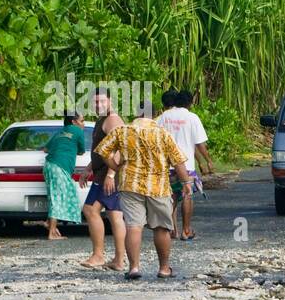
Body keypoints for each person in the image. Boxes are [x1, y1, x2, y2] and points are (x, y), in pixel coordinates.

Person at [96, 104, 191, 280]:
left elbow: (103, 151)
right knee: (162, 227)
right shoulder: (163, 133)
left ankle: (133, 268)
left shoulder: (122, 131)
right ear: (156, 115)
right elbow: (178, 161)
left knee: (133, 226)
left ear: (136, 114)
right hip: (158, 187)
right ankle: (163, 269)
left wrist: (114, 167)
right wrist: (185, 182)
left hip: (130, 185)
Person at [157, 89, 214, 240]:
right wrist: (207, 160)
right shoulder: (192, 117)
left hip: (167, 166)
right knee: (187, 195)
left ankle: (169, 230)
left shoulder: (163, 117)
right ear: (190, 103)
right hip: (186, 166)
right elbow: (198, 143)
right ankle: (186, 231)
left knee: (172, 198)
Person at [80, 88, 127, 270]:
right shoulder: (103, 119)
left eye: (102, 101)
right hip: (102, 172)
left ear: (110, 101)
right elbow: (102, 150)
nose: (98, 105)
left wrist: (111, 175)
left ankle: (99, 255)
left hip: (108, 175)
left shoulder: (112, 120)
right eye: (95, 102)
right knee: (115, 214)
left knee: (90, 210)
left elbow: (119, 148)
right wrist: (88, 168)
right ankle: (119, 260)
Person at [41, 113, 85, 240]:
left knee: (55, 195)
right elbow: (81, 150)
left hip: (49, 164)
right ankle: (52, 232)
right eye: (82, 120)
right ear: (74, 121)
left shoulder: (60, 132)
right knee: (58, 197)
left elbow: (45, 149)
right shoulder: (77, 130)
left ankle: (49, 223)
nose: (83, 123)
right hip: (60, 166)